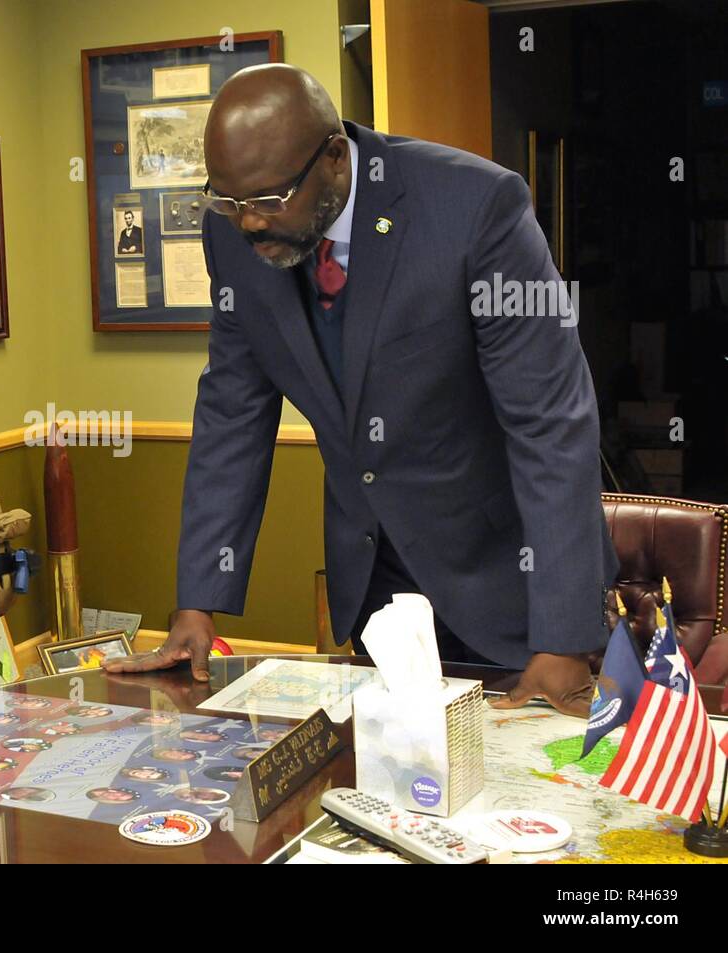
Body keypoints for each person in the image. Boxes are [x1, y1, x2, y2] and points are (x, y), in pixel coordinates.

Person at [105, 64, 617, 718]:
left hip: (510, 581)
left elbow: (550, 423)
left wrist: (564, 636)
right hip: (379, 595)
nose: (249, 222)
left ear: (335, 159)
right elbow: (232, 413)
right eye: (227, 200)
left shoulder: (475, 207)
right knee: (396, 775)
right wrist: (196, 605)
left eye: (269, 199)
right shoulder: (231, 237)